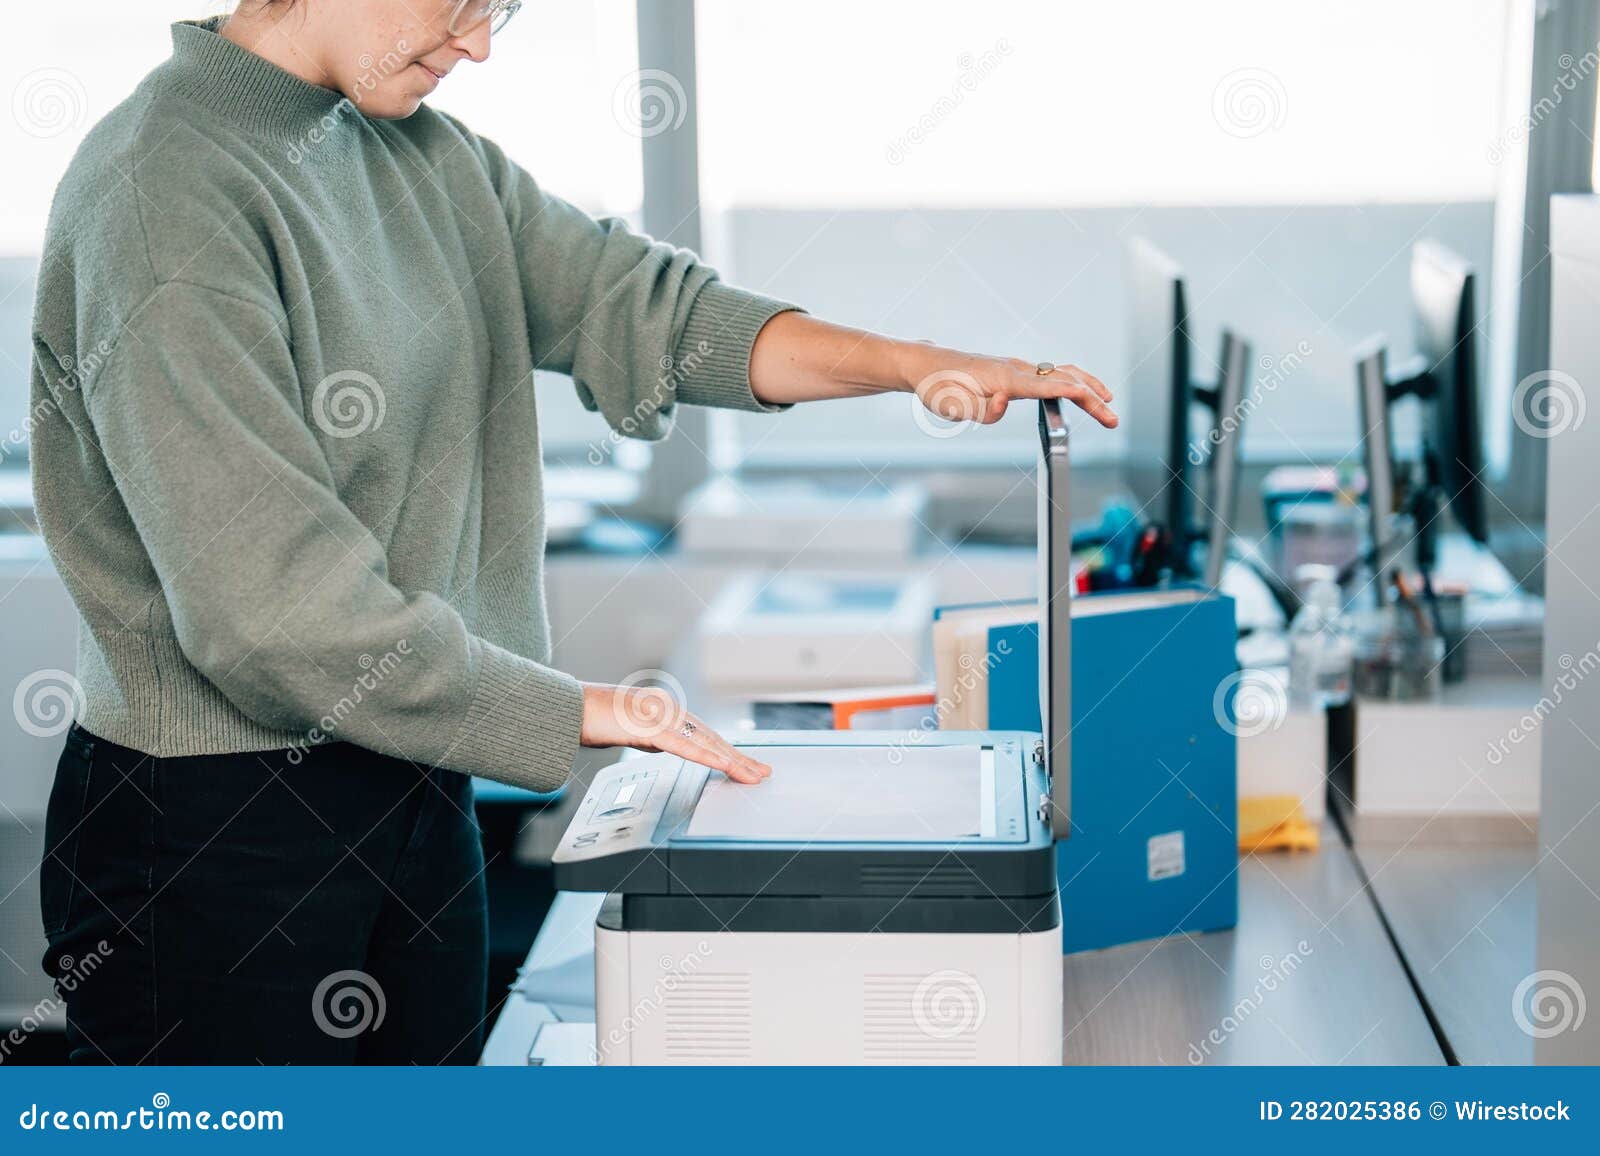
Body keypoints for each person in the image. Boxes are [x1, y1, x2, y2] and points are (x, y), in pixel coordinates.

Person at [29, 0, 1117, 1064]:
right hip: (217, 831)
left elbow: (644, 309)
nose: (480, 44)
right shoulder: (160, 191)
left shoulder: (419, 153)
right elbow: (272, 611)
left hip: (413, 769)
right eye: (458, 2)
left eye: (499, 6)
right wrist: (587, 710)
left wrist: (910, 363)